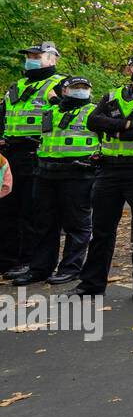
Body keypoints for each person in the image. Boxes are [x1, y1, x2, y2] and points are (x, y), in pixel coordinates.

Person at [76, 54, 133, 299]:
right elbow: (93, 121)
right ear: (129, 69)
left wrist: (115, 128)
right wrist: (129, 126)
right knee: (102, 229)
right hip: (109, 170)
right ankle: (91, 284)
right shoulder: (111, 95)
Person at [15, 76, 98, 286]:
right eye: (75, 87)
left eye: (84, 87)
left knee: (76, 225)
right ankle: (40, 268)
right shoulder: (50, 112)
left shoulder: (94, 112)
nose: (80, 91)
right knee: (43, 224)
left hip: (78, 174)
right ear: (64, 91)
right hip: (46, 174)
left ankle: (70, 268)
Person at [0, 41, 63, 280]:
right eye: (29, 55)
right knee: (6, 208)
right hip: (10, 153)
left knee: (32, 210)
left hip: (37, 153)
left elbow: (72, 116)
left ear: (52, 58)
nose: (31, 58)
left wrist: (58, 100)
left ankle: (29, 260)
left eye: (37, 55)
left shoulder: (60, 85)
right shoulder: (17, 85)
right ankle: (7, 260)